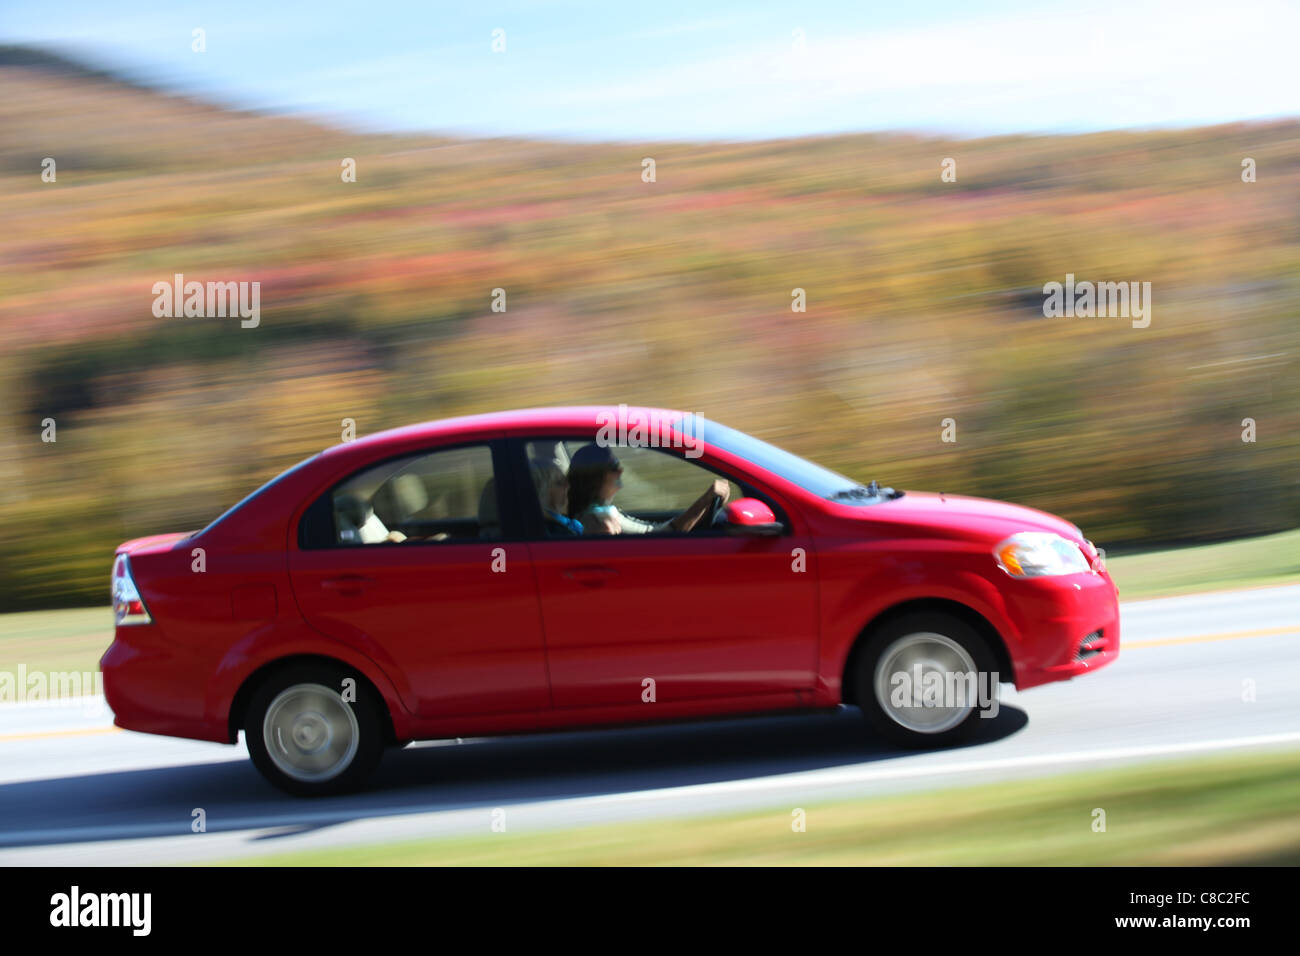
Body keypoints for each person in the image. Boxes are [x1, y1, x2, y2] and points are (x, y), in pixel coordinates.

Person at [566, 444, 727, 535]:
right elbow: (664, 536)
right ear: (596, 478)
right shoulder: (598, 519)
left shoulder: (602, 510)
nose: (621, 470)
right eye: (614, 466)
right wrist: (706, 498)